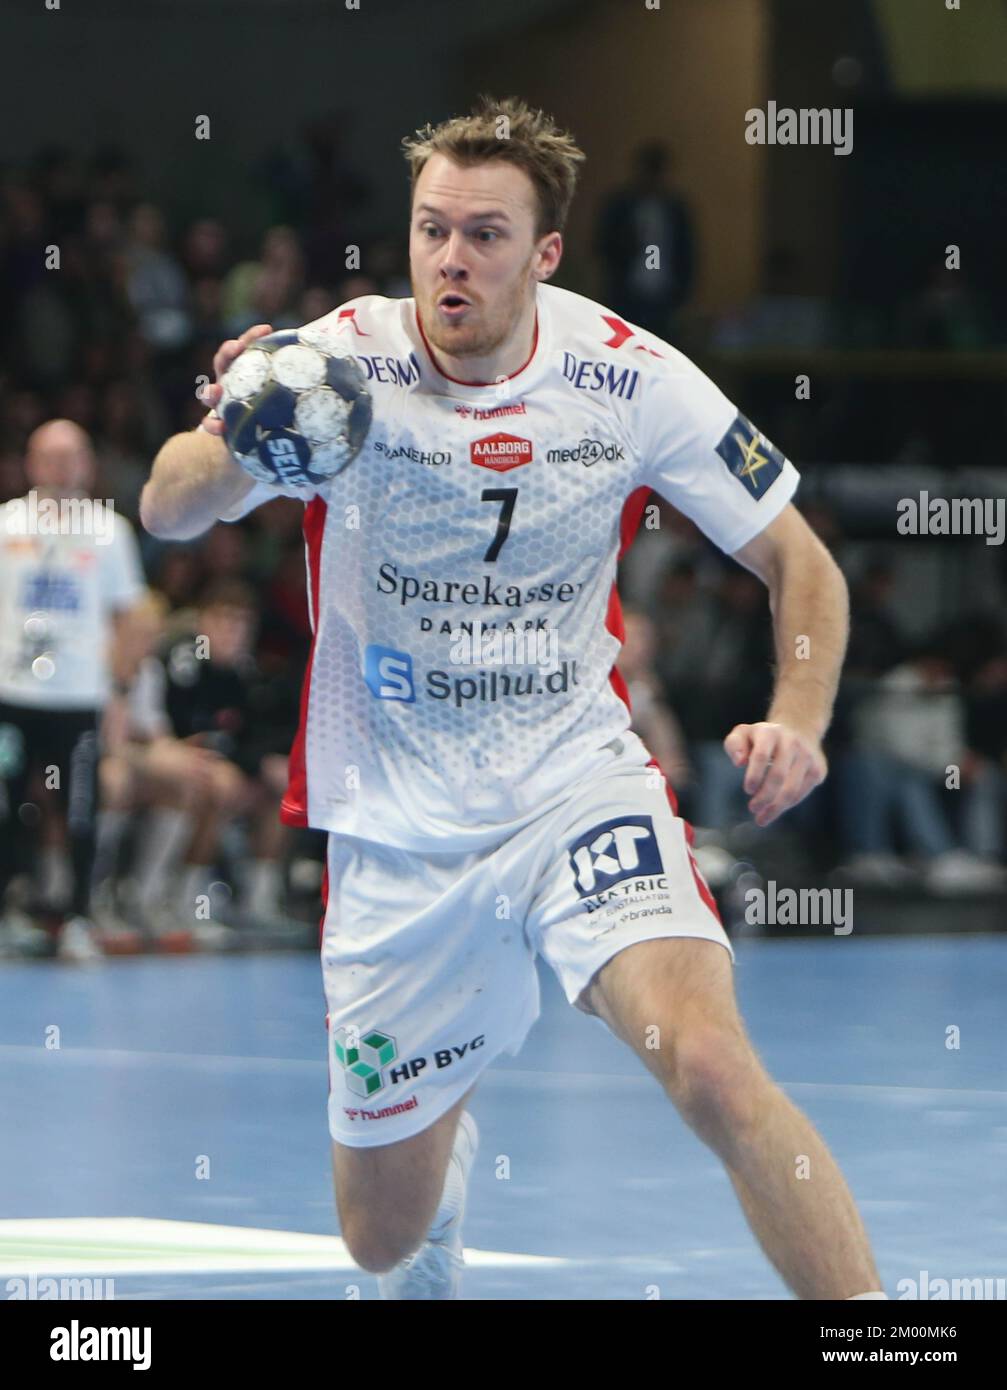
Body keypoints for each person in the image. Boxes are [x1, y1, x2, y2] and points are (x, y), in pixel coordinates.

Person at [141, 96, 883, 1302]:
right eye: (432, 228)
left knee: (709, 1066)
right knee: (379, 1239)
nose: (449, 259)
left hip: (570, 786)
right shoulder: (339, 359)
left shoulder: (628, 377)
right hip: (394, 824)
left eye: (485, 235)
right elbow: (165, 506)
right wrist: (241, 434)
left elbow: (802, 561)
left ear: (544, 253)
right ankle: (436, 1173)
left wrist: (796, 714)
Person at [0, 419, 145, 959]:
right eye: (49, 456)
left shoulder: (111, 532)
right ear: (31, 463)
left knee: (81, 808)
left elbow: (129, 618)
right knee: (7, 805)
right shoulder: (5, 524)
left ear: (87, 464)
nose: (61, 467)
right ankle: (10, 908)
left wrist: (121, 693)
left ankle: (79, 917)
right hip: (10, 696)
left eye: (72, 455)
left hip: (79, 696)